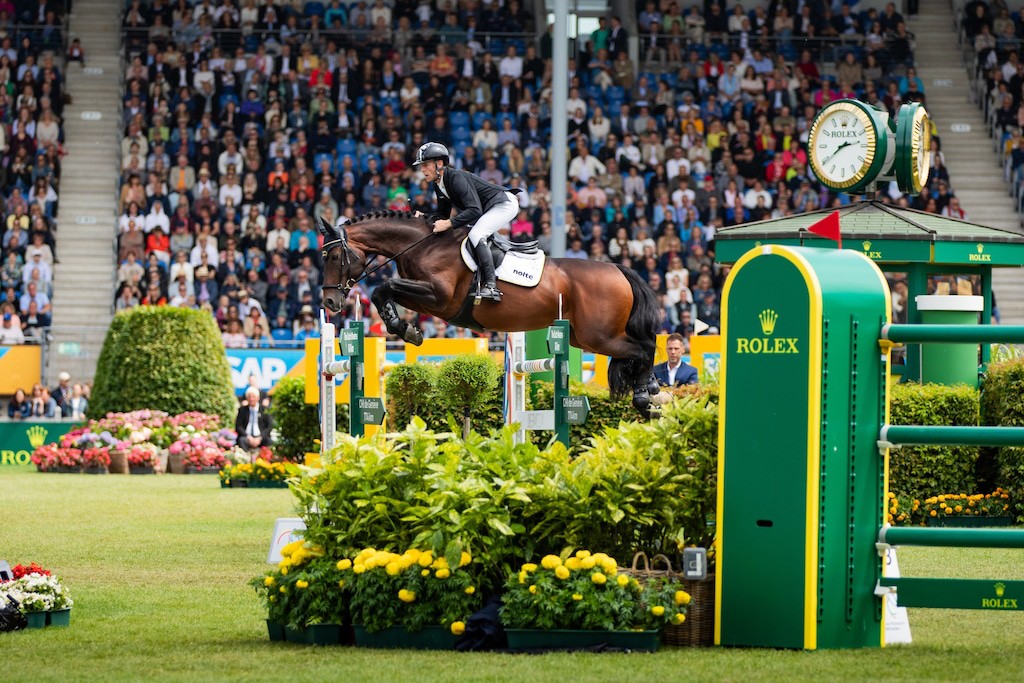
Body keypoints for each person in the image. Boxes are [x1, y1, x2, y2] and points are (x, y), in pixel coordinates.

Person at [412, 142, 518, 302]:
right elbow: (442, 214)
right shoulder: (438, 184)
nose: (422, 170)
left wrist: (448, 224)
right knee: (473, 233)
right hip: (490, 208)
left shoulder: (456, 177)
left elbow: (474, 210)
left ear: (439, 164)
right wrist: (424, 218)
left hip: (504, 203)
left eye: (425, 165)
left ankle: (491, 285)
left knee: (477, 234)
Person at [235, 386, 272, 451]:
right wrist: (248, 437)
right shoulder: (242, 410)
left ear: (258, 398)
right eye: (249, 397)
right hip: (247, 437)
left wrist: (260, 438)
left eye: (253, 397)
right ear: (247, 398)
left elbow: (268, 427)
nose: (251, 399)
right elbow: (238, 426)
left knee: (268, 441)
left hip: (260, 437)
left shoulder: (264, 410)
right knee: (241, 440)